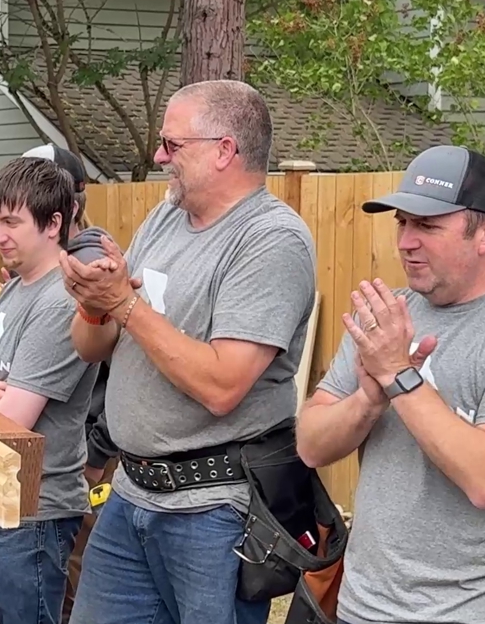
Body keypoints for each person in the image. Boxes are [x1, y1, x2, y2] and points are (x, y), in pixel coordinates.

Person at [62, 79, 317, 624]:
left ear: (225, 150)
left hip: (214, 511)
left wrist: (125, 307)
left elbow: (223, 385)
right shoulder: (165, 217)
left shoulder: (271, 240)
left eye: (172, 145)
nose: (158, 157)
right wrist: (93, 303)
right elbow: (91, 347)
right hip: (132, 490)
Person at [296, 145, 485, 624]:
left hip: (472, 611)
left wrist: (398, 376)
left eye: (428, 226)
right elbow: (310, 445)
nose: (406, 241)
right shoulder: (384, 318)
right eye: (402, 223)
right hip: (361, 607)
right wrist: (369, 399)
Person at [0, 156, 100, 624]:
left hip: (34, 511)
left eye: (11, 222)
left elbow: (11, 421)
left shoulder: (59, 301)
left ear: (54, 222)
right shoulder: (14, 291)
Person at [19, 143, 120, 624]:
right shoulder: (44, 268)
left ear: (69, 204)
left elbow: (114, 374)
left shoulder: (94, 267)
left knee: (72, 583)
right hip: (56, 459)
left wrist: (96, 455)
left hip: (86, 460)